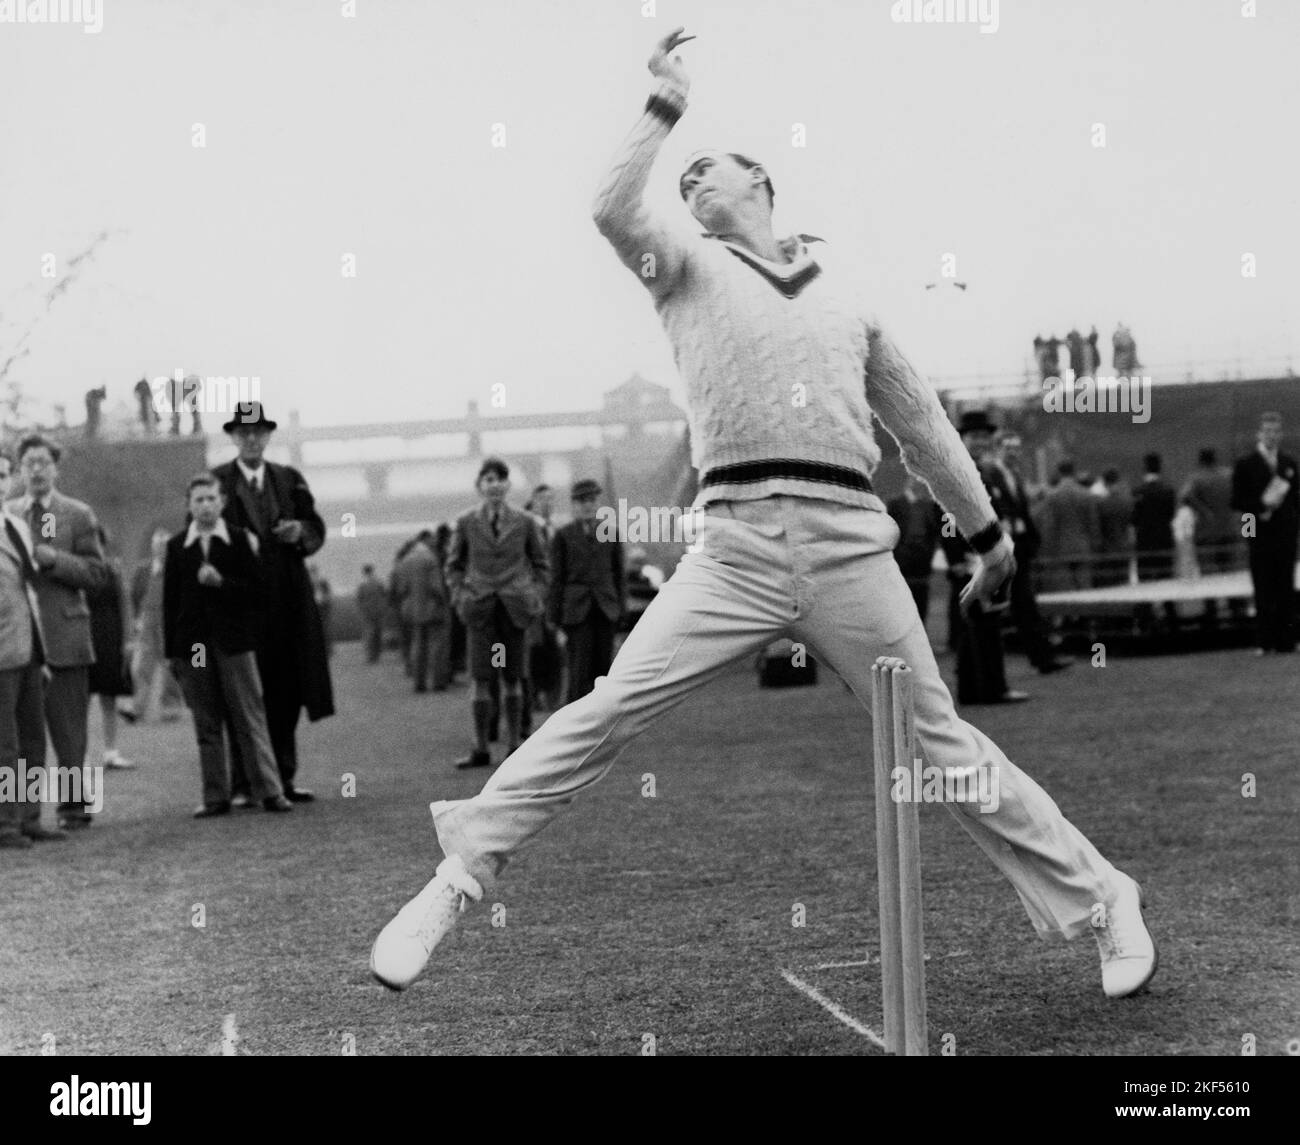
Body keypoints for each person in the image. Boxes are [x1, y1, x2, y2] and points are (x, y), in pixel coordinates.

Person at [371, 28, 1156, 1003]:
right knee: (610, 704)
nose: (694, 183)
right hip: (734, 546)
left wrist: (987, 535)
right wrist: (663, 108)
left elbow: (921, 427)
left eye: (714, 170)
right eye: (686, 178)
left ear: (764, 186)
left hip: (846, 548)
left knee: (941, 746)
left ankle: (1104, 898)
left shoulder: (852, 298)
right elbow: (610, 207)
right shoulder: (684, 271)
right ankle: (454, 880)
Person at [212, 402, 334, 802]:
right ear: (232, 436)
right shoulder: (216, 482)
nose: (251, 439)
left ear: (267, 436)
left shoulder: (288, 479)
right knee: (243, 695)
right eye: (243, 432)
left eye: (258, 432)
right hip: (238, 605)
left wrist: (299, 530)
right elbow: (198, 536)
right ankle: (246, 782)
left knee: (286, 690)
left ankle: (282, 776)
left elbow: (316, 528)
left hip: (287, 603)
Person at [163, 474, 293, 817]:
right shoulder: (178, 547)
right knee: (206, 721)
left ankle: (270, 791)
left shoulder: (237, 541)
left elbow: (259, 593)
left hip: (234, 642)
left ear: (221, 503)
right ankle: (215, 796)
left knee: (250, 717)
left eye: (210, 499)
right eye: (198, 500)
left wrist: (222, 583)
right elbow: (170, 604)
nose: (205, 506)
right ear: (189, 506)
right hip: (195, 646)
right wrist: (172, 654)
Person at [6, 434, 108, 831]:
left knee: (69, 736)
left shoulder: (79, 514)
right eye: (28, 462)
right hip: (19, 642)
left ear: (56, 468)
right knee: (17, 739)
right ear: (19, 469)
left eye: (43, 462)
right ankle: (19, 815)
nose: (36, 470)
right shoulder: (7, 515)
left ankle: (73, 808)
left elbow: (98, 574)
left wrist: (54, 560)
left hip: (65, 638)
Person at [444, 458, 550, 769]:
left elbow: (542, 565)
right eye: (488, 479)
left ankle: (514, 745)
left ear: (508, 485)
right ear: (479, 486)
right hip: (480, 611)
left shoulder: (526, 522)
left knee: (513, 677)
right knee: (481, 678)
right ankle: (480, 748)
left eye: (500, 479)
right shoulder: (465, 523)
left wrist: (535, 597)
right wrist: (460, 597)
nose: (495, 485)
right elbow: (453, 565)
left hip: (514, 610)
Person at [942, 412, 1029, 705]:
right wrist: (960, 556)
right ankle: (994, 689)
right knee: (986, 625)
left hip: (987, 556)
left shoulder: (985, 471)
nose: (979, 441)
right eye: (973, 436)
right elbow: (944, 515)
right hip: (972, 559)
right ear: (962, 438)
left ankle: (970, 690)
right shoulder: (954, 467)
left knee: (976, 625)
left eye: (983, 436)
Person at [0, 449, 54, 848]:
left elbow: (30, 591)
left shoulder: (15, 525)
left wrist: (44, 652)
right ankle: (5, 824)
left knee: (34, 740)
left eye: (2, 476)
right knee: (5, 745)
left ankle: (30, 817)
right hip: (1, 654)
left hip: (29, 648)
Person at [987, 433, 1069, 673]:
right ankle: (1039, 657)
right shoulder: (991, 474)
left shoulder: (1014, 475)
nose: (1014, 452)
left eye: (1017, 447)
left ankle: (1042, 657)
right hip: (1005, 546)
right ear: (997, 448)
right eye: (1008, 447)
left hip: (1020, 545)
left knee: (1026, 604)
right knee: (1018, 604)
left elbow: (1021, 511)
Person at [548, 478, 625, 703]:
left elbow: (619, 574)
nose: (587, 505)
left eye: (591, 500)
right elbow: (557, 579)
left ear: (598, 503)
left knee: (604, 670)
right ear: (573, 505)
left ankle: (602, 722)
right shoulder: (563, 536)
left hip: (605, 609)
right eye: (582, 501)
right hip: (576, 612)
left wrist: (621, 611)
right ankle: (575, 722)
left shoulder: (611, 532)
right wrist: (554, 618)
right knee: (578, 670)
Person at [1232, 412, 1299, 654]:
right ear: (1259, 434)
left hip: (1285, 534)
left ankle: (1287, 641)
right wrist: (1261, 508)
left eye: (1275, 431)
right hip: (1258, 532)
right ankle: (1264, 641)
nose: (1271, 436)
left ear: (1280, 434)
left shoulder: (1288, 463)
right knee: (1263, 587)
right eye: (1267, 431)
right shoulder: (1246, 464)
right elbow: (1237, 501)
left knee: (1286, 587)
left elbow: (1295, 499)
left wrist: (1293, 526)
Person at [86, 525, 136, 771]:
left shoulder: (113, 570)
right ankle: (80, 755)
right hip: (83, 638)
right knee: (79, 701)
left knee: (109, 699)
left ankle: (111, 751)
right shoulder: (77, 569)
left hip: (109, 638)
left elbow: (125, 606)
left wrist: (128, 640)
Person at [1181, 448, 1240, 629]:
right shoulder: (1229, 475)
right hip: (1230, 529)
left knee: (1209, 576)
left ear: (1201, 461)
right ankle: (1236, 611)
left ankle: (1212, 614)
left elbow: (1184, 496)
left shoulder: (1197, 478)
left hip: (1206, 533)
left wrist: (1203, 511)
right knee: (1231, 572)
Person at [393, 531, 448, 693]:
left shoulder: (406, 560)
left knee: (417, 646)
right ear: (425, 540)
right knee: (437, 646)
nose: (434, 543)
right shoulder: (430, 559)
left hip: (412, 610)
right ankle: (438, 681)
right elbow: (436, 587)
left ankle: (419, 682)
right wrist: (444, 602)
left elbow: (401, 588)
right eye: (432, 540)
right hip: (432, 609)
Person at [1037, 460, 1102, 591]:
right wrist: (1095, 545)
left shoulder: (1053, 496)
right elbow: (1093, 523)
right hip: (1083, 546)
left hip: (1061, 549)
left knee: (1066, 591)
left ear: (1059, 472)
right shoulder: (1086, 494)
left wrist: (1048, 551)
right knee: (1085, 589)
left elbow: (1050, 526)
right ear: (1074, 471)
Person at [885, 475, 942, 623]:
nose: (919, 484)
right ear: (908, 482)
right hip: (901, 563)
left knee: (921, 604)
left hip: (922, 564)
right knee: (901, 605)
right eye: (915, 480)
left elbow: (942, 531)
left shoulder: (929, 506)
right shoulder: (895, 504)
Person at [1094, 468, 1134, 588]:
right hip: (1125, 548)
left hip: (1107, 550)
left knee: (1109, 586)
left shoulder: (1101, 504)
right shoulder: (1128, 502)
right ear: (1118, 481)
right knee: (1124, 584)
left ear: (1105, 483)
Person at [356, 564, 388, 664]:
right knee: (378, 633)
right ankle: (377, 655)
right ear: (372, 571)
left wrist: (361, 609)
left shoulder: (362, 584)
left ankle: (370, 656)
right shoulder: (379, 582)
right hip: (379, 611)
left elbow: (359, 599)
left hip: (367, 612)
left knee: (369, 634)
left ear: (364, 572)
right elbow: (385, 595)